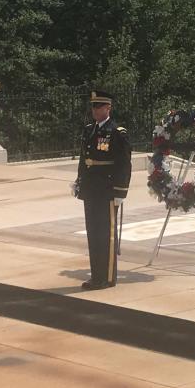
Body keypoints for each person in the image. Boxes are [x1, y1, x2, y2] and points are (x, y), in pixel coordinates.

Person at [72, 90, 131, 290]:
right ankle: (96, 275)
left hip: (107, 189)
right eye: (93, 107)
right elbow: (84, 160)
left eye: (99, 107)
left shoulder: (117, 132)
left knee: (107, 235)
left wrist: (120, 192)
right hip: (91, 189)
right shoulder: (89, 130)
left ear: (108, 108)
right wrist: (79, 182)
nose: (95, 111)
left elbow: (124, 165)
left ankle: (107, 277)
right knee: (93, 233)